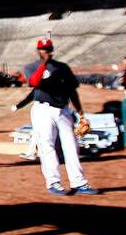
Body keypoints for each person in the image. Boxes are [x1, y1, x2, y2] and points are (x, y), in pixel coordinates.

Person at [24, 39, 97, 196]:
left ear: (52, 49)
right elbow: (34, 82)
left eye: (48, 48)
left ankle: (79, 182)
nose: (46, 51)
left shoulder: (63, 68)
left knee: (71, 146)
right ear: (38, 51)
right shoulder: (31, 67)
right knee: (47, 146)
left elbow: (72, 92)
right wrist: (43, 64)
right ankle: (53, 182)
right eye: (43, 49)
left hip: (63, 110)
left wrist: (81, 114)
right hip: (42, 109)